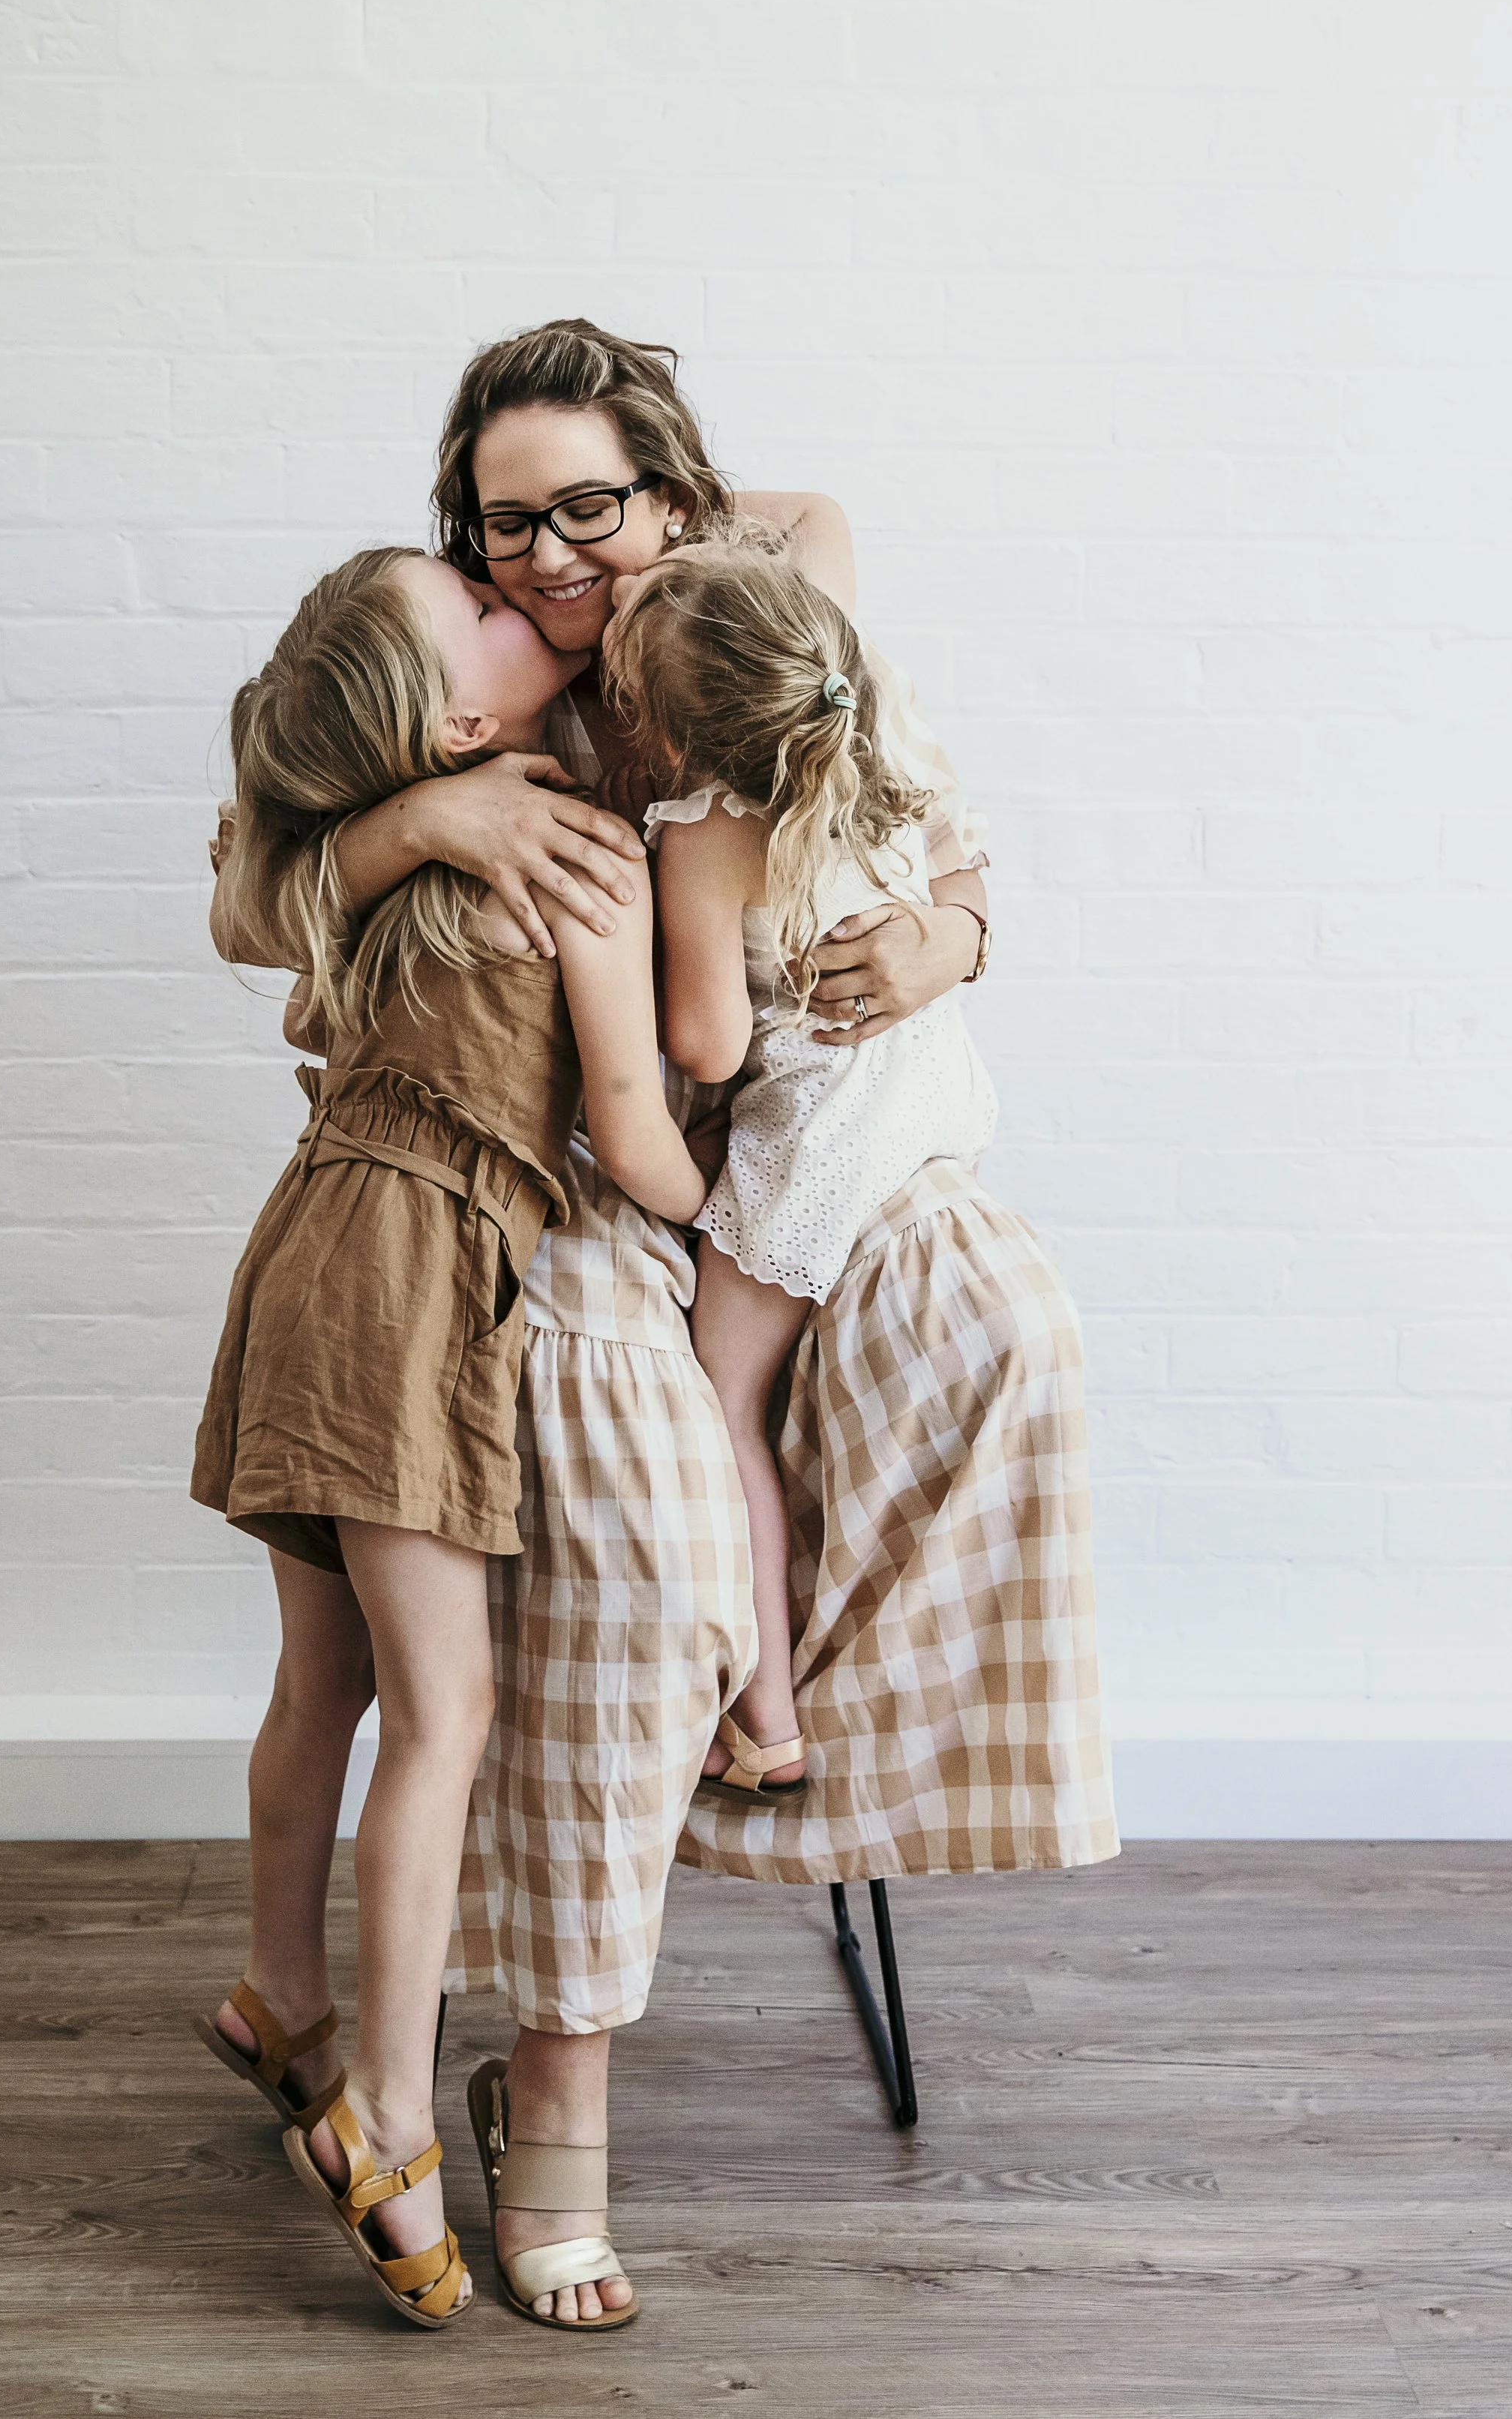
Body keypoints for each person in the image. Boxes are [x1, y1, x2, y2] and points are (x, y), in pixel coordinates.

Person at [279, 317, 1115, 2328]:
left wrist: (951, 931)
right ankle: (555, 2068)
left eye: (592, 507)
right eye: (505, 525)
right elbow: (259, 883)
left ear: (673, 490)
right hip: (580, 1185)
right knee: (649, 1523)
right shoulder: (457, 686)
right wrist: (425, 820)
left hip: (813, 1132)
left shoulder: (751, 614)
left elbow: (929, 809)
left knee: (1006, 1328)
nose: (550, 560)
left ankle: (810, 1755)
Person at [190, 544, 710, 2330]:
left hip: (315, 1244)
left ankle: (279, 1994)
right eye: (479, 597)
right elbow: (635, 1136)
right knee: (448, 1715)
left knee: (321, 1688)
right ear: (452, 719)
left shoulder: (398, 826)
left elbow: (254, 890)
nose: (523, 588)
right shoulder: (562, 837)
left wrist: (412, 816)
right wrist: (731, 1215)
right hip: (409, 1276)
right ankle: (390, 2119)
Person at [604, 535, 1000, 1799]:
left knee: (719, 1398)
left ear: (671, 738)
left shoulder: (702, 830)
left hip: (824, 1136)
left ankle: (766, 1715)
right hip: (933, 1087)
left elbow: (709, 1040)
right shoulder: (865, 747)